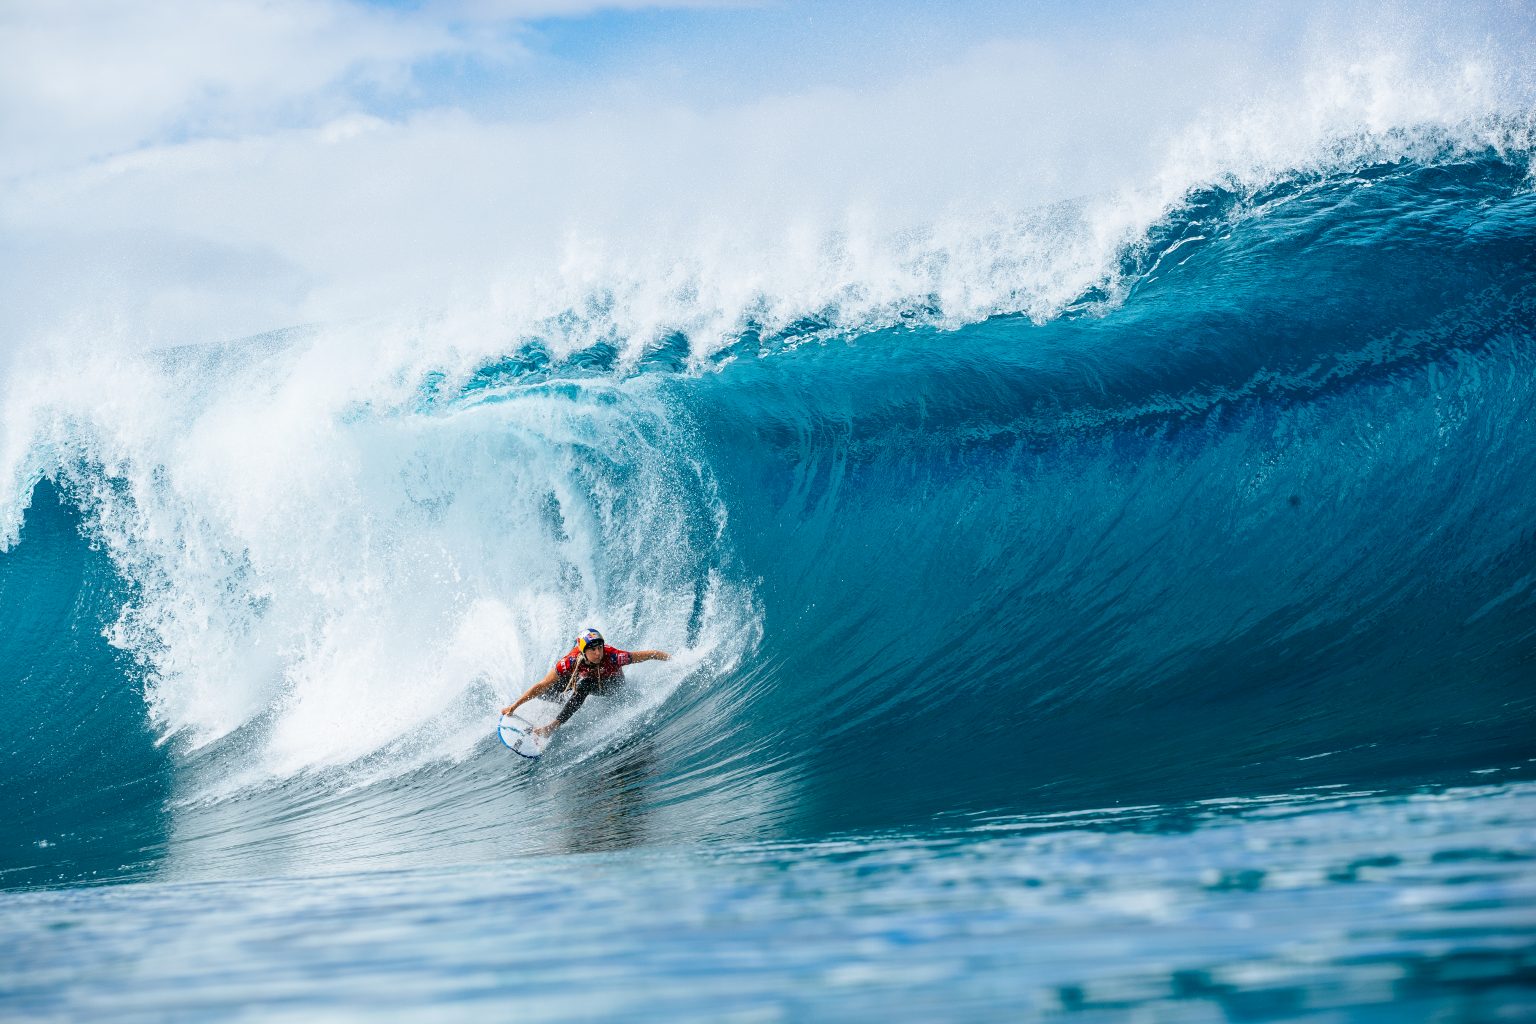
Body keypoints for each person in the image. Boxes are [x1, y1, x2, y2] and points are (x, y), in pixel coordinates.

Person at [500, 628, 671, 738]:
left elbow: (651, 654)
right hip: (586, 675)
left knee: (584, 685)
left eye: (600, 648)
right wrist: (514, 707)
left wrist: (678, 661)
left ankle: (553, 726)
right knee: (551, 689)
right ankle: (560, 701)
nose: (598, 653)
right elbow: (541, 685)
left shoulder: (613, 656)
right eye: (593, 650)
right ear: (583, 651)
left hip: (612, 685)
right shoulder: (570, 661)